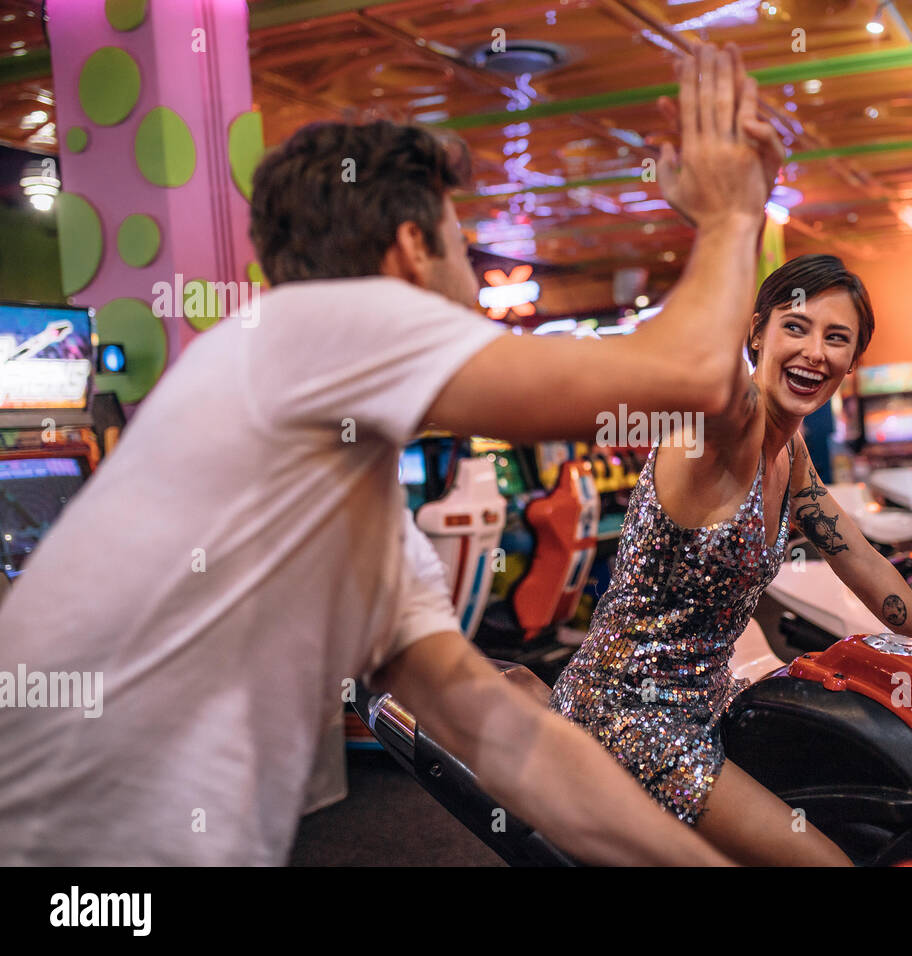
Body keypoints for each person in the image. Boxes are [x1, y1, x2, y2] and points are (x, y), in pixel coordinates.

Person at [0, 44, 784, 866]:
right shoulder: (326, 321)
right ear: (411, 248)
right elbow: (685, 375)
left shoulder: (348, 491)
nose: (477, 276)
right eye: (461, 239)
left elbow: (508, 738)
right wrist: (732, 216)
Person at [550, 254, 912, 866]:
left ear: (852, 360)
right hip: (626, 717)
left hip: (710, 698)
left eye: (836, 337)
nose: (816, 352)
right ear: (757, 332)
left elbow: (859, 558)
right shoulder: (724, 428)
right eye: (796, 327)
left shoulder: (791, 451)